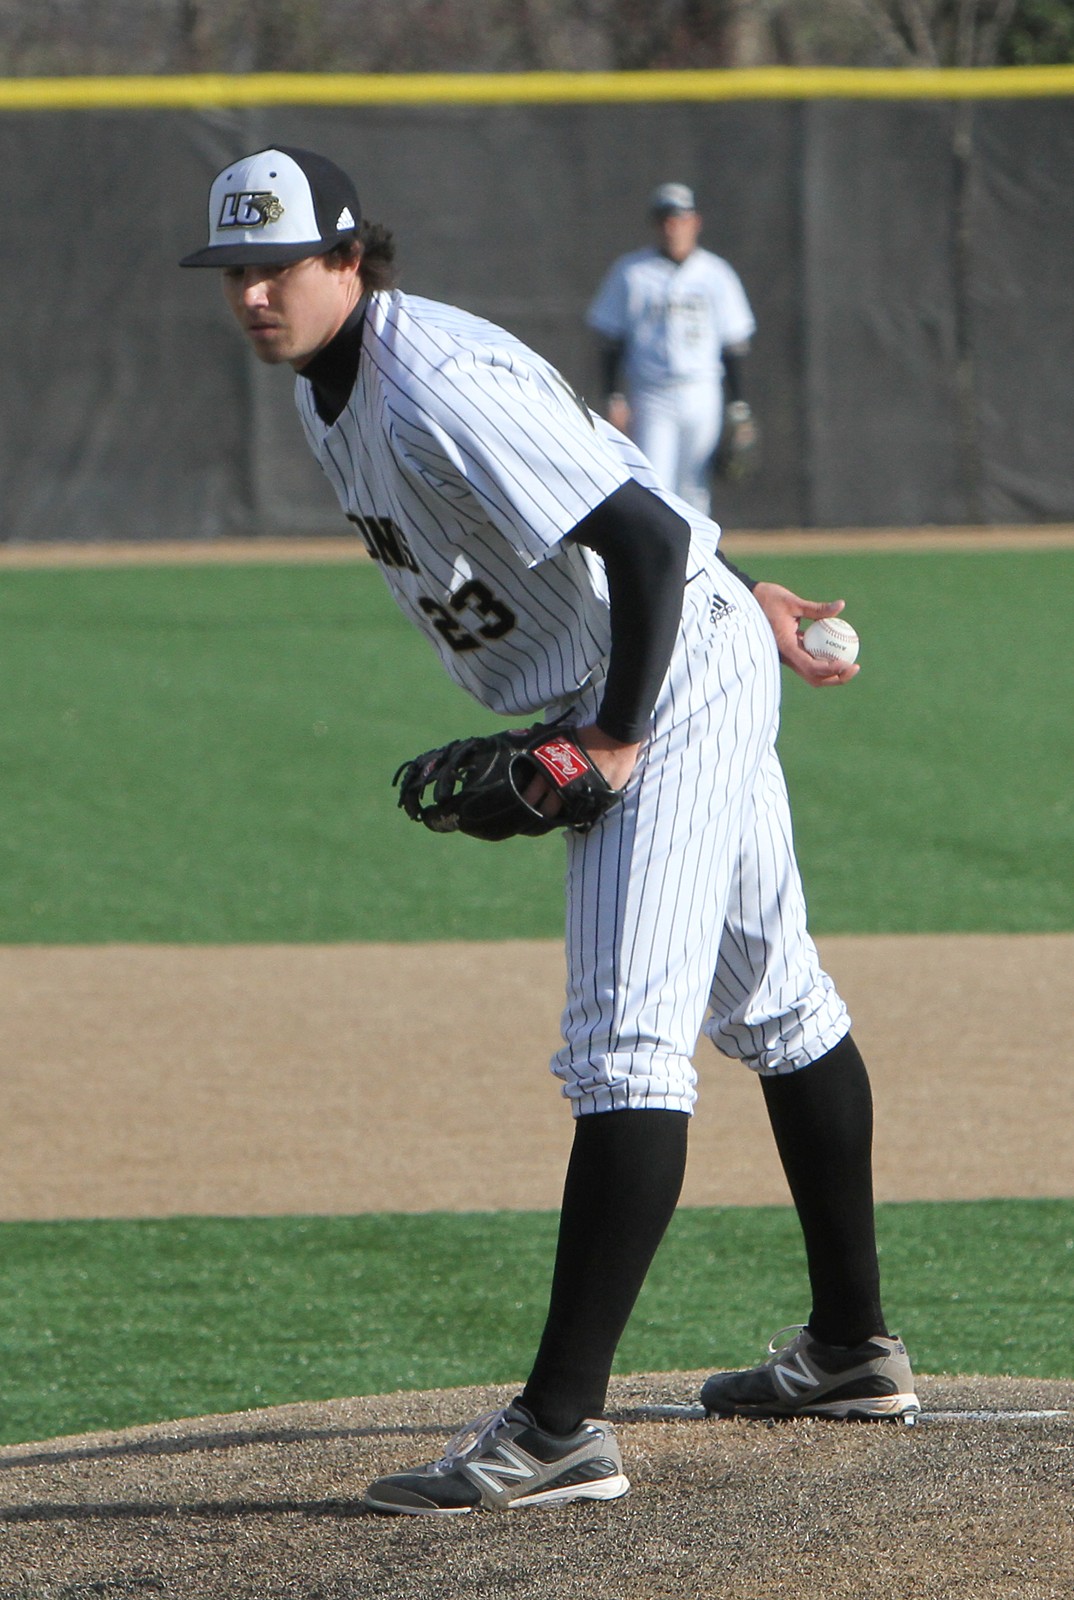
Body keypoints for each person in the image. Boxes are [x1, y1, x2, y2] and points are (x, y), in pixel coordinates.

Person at [182, 147, 918, 1516]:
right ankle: (847, 1349)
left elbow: (638, 540)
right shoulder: (332, 390)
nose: (252, 296)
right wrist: (734, 590)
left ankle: (560, 1428)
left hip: (650, 685)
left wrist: (621, 733)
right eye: (235, 272)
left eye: (277, 266)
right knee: (775, 1004)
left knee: (624, 1042)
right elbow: (628, 488)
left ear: (352, 257)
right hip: (668, 649)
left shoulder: (431, 384)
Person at [586, 181, 757, 516]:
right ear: (655, 224)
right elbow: (610, 339)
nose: (672, 227)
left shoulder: (716, 273)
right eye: (665, 219)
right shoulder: (631, 272)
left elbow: (734, 344)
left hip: (701, 389)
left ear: (695, 222)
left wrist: (738, 403)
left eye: (679, 218)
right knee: (653, 483)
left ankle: (698, 564)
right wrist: (612, 396)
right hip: (651, 392)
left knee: (695, 486)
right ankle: (662, 565)